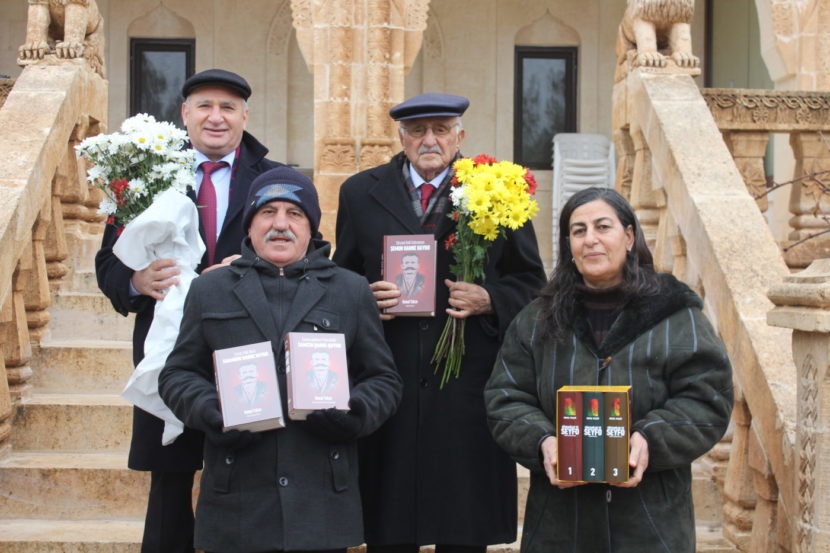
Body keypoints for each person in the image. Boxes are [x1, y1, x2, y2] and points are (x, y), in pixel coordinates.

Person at [333, 92, 546, 553]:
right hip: (388, 373)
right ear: (401, 136)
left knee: (462, 519)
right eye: (417, 130)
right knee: (387, 518)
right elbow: (341, 275)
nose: (429, 140)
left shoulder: (497, 189)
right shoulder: (359, 192)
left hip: (466, 377)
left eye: (441, 129)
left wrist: (491, 298)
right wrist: (363, 300)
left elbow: (532, 282)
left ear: (460, 135)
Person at [159, 166, 402, 553]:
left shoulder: (350, 291)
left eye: (295, 214)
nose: (281, 225)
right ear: (250, 225)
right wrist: (211, 411)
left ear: (311, 227)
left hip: (321, 494)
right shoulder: (211, 290)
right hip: (236, 493)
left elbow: (383, 379)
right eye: (267, 212)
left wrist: (355, 412)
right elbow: (178, 373)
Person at [484, 187, 734, 553]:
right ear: (568, 243)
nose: (591, 240)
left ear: (629, 236)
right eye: (579, 230)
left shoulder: (676, 314)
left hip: (650, 522)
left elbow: (707, 398)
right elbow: (505, 397)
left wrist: (649, 439)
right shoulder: (538, 318)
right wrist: (544, 442)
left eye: (603, 227)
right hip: (559, 522)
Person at [94, 68, 283, 553]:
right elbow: (108, 263)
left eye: (227, 107)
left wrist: (259, 268)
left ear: (245, 115)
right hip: (169, 348)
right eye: (204, 106)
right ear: (184, 114)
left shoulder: (274, 179)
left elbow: (308, 252)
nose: (215, 117)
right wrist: (135, 280)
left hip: (247, 348)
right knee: (170, 485)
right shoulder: (143, 175)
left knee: (247, 474)